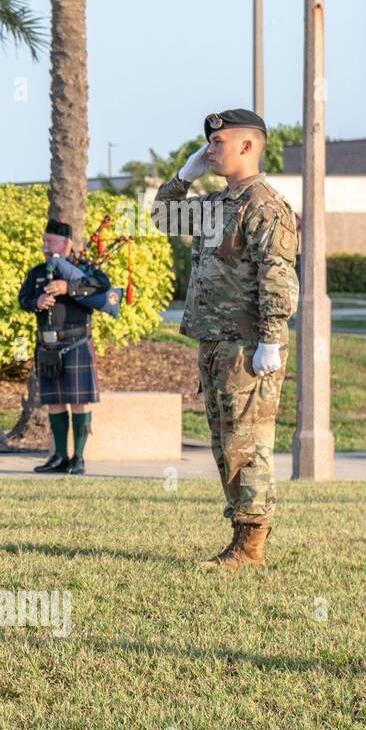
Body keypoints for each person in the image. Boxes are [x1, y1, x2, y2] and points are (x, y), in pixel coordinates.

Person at [151, 109, 299, 569]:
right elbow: (162, 218)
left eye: (218, 143)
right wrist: (183, 176)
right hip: (215, 342)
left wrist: (270, 341)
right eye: (208, 144)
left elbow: (278, 276)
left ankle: (251, 545)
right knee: (224, 444)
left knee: (247, 445)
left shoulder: (265, 205)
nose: (210, 150)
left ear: (248, 146)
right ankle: (241, 536)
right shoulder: (219, 204)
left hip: (247, 344)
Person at [17, 219, 111, 476]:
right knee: (55, 402)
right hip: (48, 345)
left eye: (51, 241)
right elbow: (22, 299)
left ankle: (78, 459)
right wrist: (36, 300)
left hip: (76, 342)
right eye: (44, 240)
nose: (46, 246)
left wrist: (68, 287)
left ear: (67, 244)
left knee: (79, 402)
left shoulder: (83, 268)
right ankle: (59, 457)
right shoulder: (37, 271)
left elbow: (103, 285)